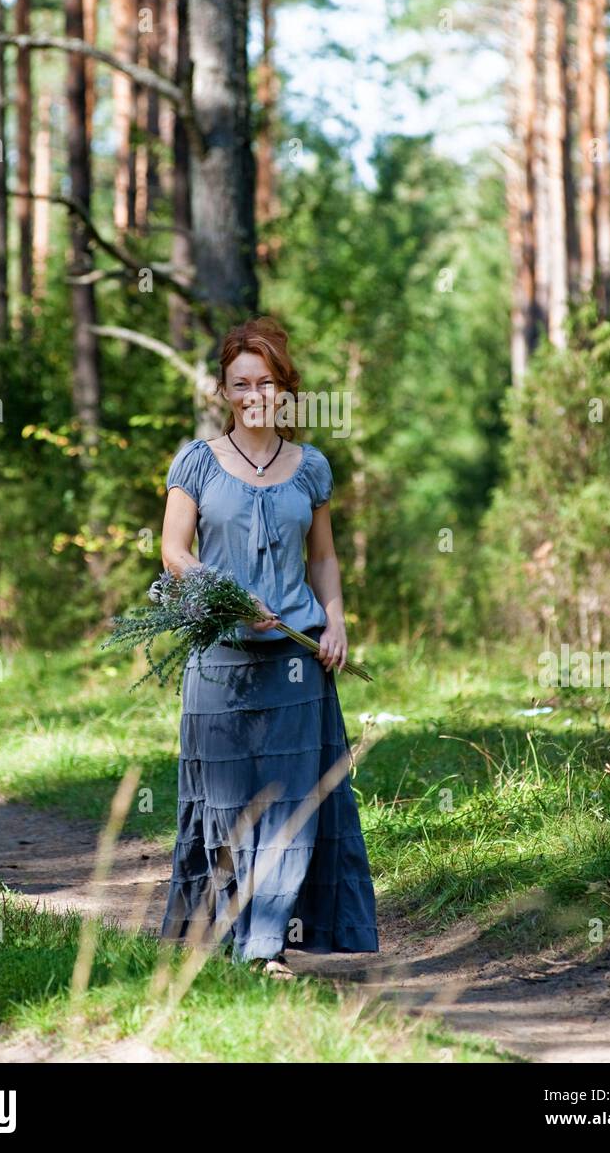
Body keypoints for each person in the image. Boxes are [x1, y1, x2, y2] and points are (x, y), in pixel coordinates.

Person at [159, 316, 379, 977]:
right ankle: (228, 938)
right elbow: (174, 552)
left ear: (284, 389)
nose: (254, 393)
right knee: (224, 806)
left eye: (267, 381)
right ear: (224, 392)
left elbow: (324, 559)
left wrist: (334, 621)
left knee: (290, 806)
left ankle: (265, 946)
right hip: (219, 661)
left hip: (294, 659)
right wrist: (224, 593)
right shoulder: (196, 462)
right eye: (240, 382)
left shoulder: (309, 468)